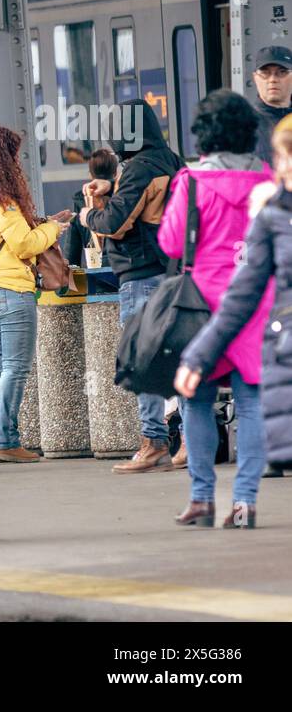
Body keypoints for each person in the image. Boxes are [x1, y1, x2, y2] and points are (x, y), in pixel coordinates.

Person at [160, 92, 274, 527]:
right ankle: (244, 502)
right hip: (255, 305)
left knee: (196, 401)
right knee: (252, 404)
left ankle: (202, 499)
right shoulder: (266, 181)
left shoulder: (190, 183)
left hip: (200, 308)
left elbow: (171, 243)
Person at [81, 98, 183, 473]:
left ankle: (153, 440)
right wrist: (112, 185)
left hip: (141, 273)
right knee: (176, 356)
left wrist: (88, 213)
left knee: (144, 361)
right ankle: (187, 439)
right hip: (171, 271)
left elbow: (115, 223)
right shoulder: (170, 159)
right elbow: (151, 202)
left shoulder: (138, 167)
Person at [0, 126, 69, 463]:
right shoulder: (2, 199)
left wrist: (41, 222)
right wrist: (53, 229)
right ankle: (7, 441)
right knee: (16, 369)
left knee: (0, 369)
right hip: (12, 290)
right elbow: (24, 244)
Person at [62, 148, 118, 268]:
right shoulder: (123, 197)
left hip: (97, 271)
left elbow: (72, 251)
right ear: (115, 174)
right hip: (124, 270)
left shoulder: (81, 201)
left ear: (90, 174)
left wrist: (75, 285)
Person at [249, 46, 292, 166]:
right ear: (255, 78)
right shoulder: (245, 125)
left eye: (282, 72)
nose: (272, 79)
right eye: (265, 72)